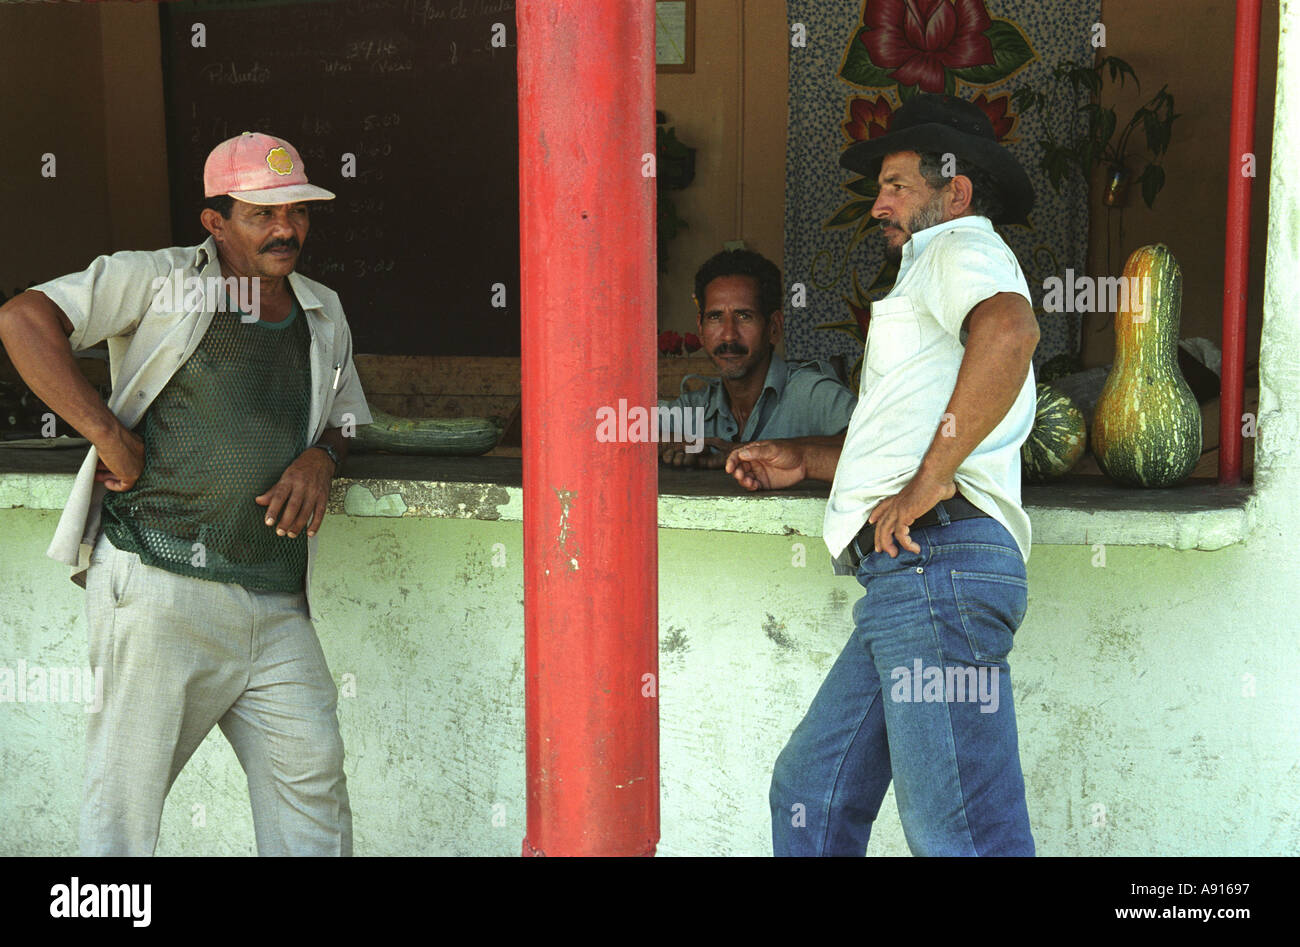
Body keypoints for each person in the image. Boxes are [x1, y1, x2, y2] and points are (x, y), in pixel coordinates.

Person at [0, 131, 372, 856]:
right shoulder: (159, 279)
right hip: (160, 580)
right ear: (215, 222)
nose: (285, 228)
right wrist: (108, 433)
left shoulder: (322, 308)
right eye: (261, 213)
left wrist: (324, 455)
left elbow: (347, 414)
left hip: (274, 597)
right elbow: (23, 318)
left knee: (314, 782)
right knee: (123, 816)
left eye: (296, 211)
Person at [726, 95, 1040, 856]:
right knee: (812, 795)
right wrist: (806, 457)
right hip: (910, 577)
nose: (879, 205)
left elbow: (1011, 331)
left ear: (954, 190)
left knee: (960, 838)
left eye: (897, 184)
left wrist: (933, 478)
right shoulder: (931, 272)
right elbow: (903, 427)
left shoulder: (958, 246)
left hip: (939, 564)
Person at [658, 248, 856, 468]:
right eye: (715, 317)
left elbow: (880, 447)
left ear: (774, 327)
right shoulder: (695, 408)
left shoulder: (815, 396)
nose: (728, 334)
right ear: (701, 329)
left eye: (744, 316)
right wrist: (662, 442)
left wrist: (764, 451)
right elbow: (618, 428)